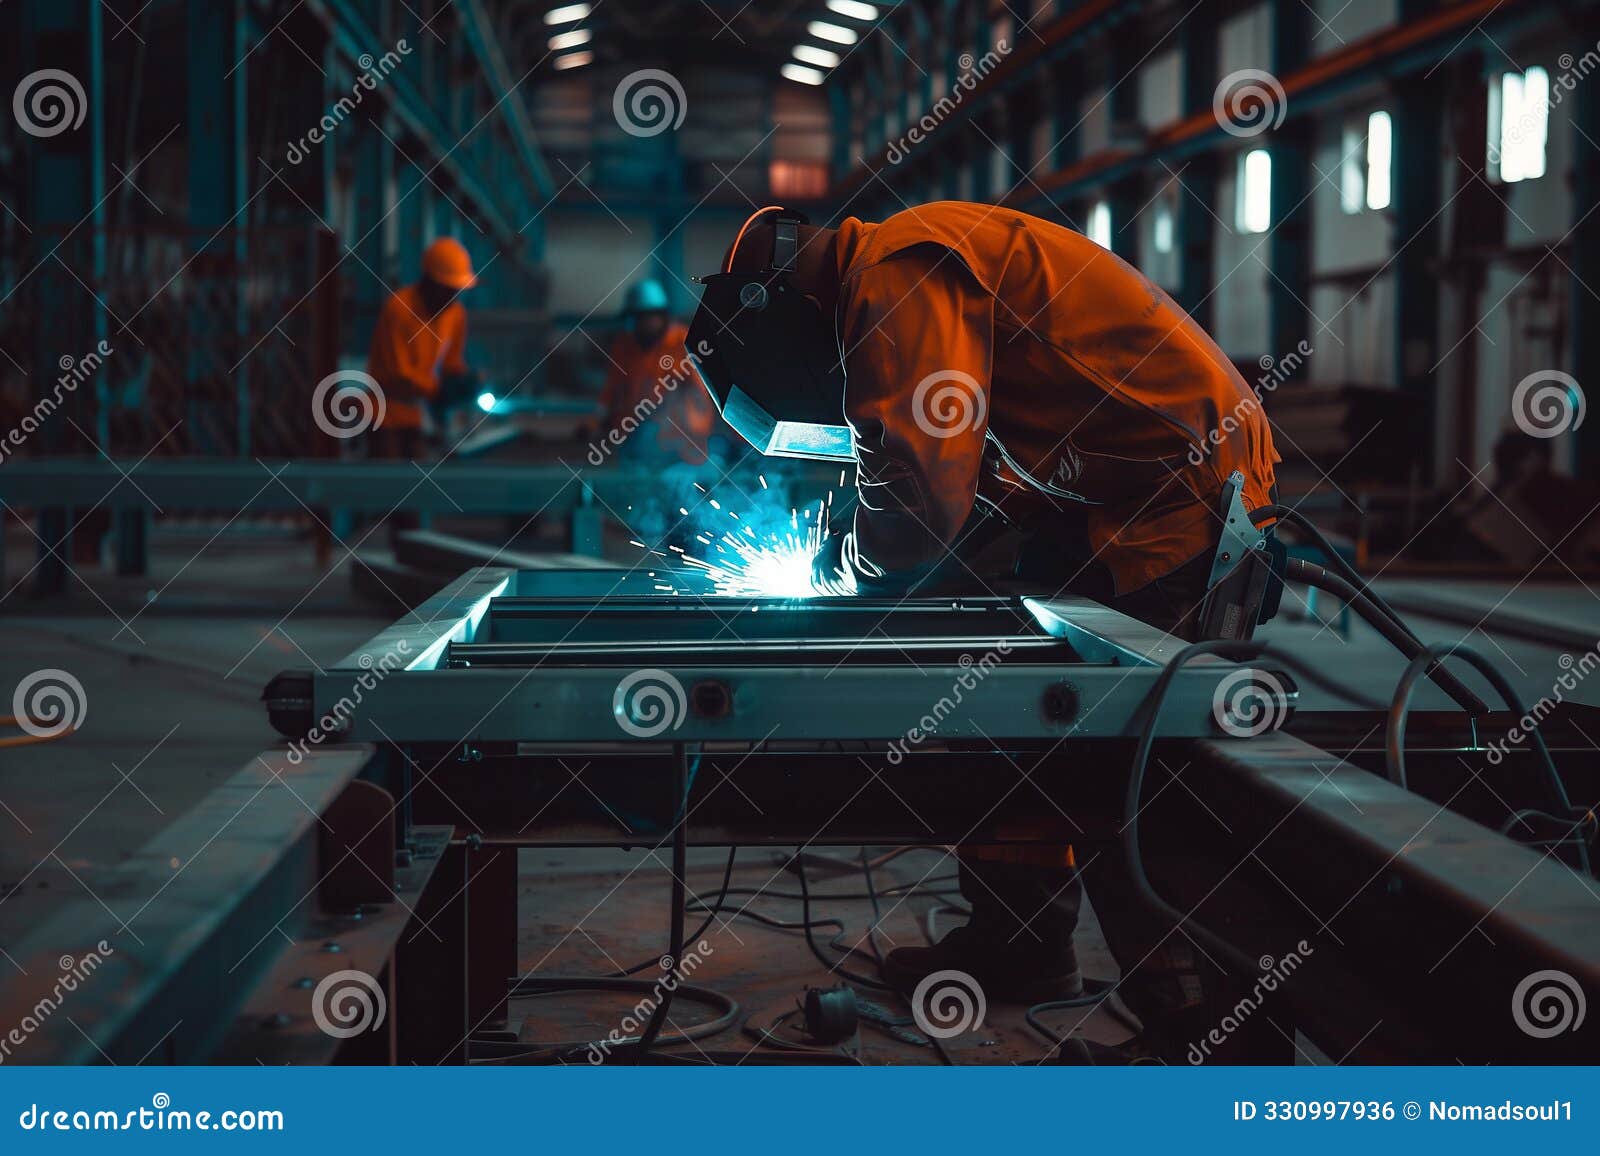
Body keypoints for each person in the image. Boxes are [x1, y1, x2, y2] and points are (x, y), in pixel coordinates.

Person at [686, 202, 1282, 1058]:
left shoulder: (896, 271)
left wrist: (842, 567)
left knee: (1125, 765)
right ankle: (1020, 944)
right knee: (1012, 710)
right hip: (1106, 502)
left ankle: (1201, 1035)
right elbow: (972, 460)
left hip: (1175, 514)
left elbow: (921, 498)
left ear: (778, 317)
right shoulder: (902, 264)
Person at [365, 237, 478, 460]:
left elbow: (451, 362)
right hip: (383, 415)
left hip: (417, 415)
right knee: (387, 481)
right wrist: (437, 390)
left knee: (418, 483)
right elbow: (400, 374)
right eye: (448, 290)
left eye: (456, 290)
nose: (452, 297)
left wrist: (463, 380)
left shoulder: (455, 315)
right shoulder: (399, 309)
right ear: (430, 282)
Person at [599, 278, 718, 465]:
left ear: (659, 316)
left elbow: (701, 395)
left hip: (682, 443)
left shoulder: (682, 343)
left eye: (643, 318)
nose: (638, 326)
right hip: (636, 439)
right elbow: (611, 392)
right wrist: (598, 423)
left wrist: (680, 426)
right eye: (635, 320)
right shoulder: (626, 346)